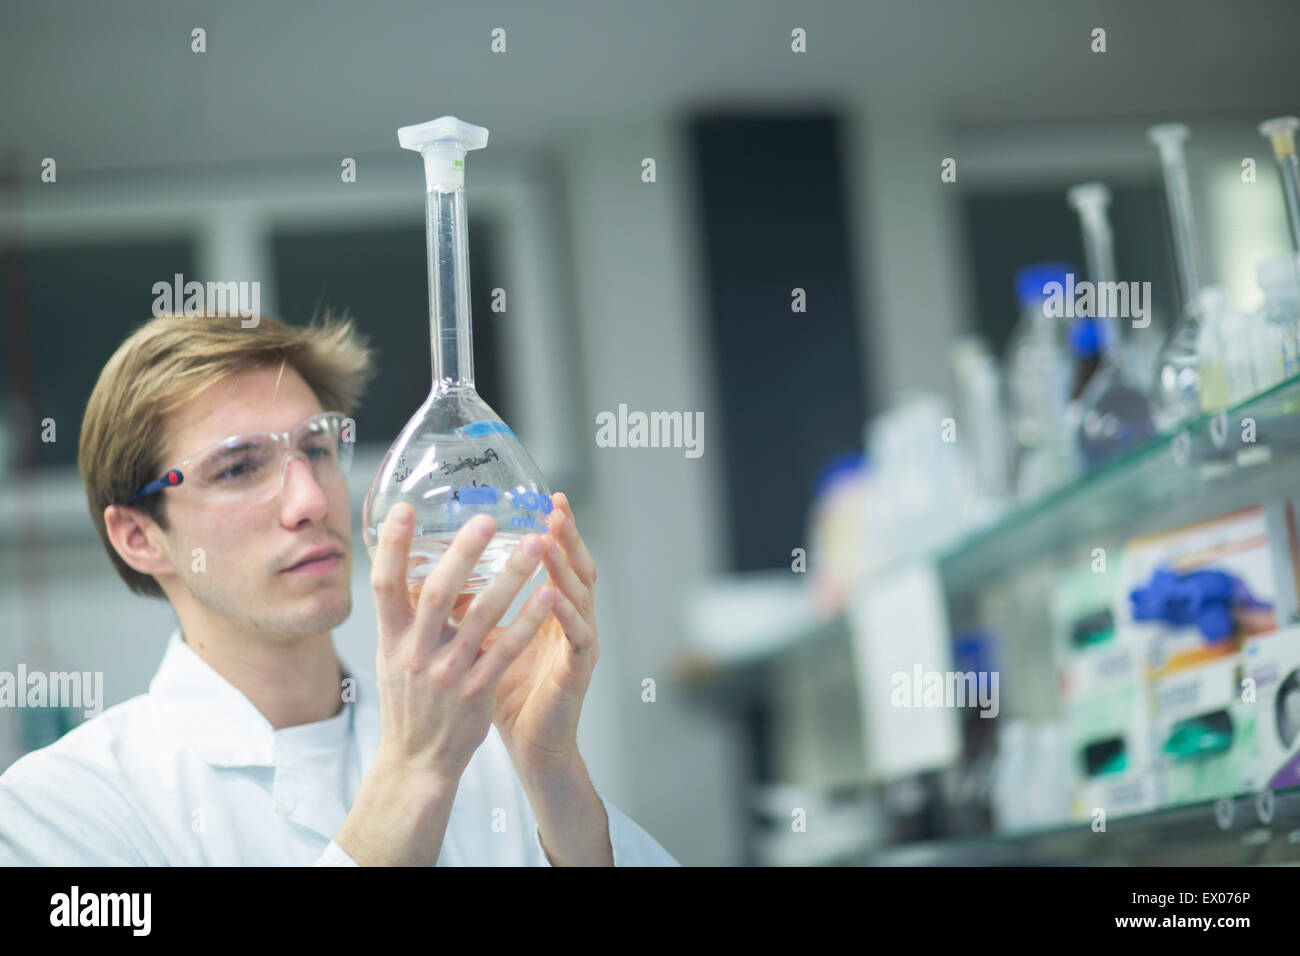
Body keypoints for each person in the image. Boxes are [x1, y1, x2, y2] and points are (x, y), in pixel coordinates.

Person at [0, 311, 678, 866]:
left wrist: (551, 770)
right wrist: (414, 772)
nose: (309, 500)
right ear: (139, 536)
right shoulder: (62, 807)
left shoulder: (491, 756)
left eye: (317, 450)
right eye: (238, 467)